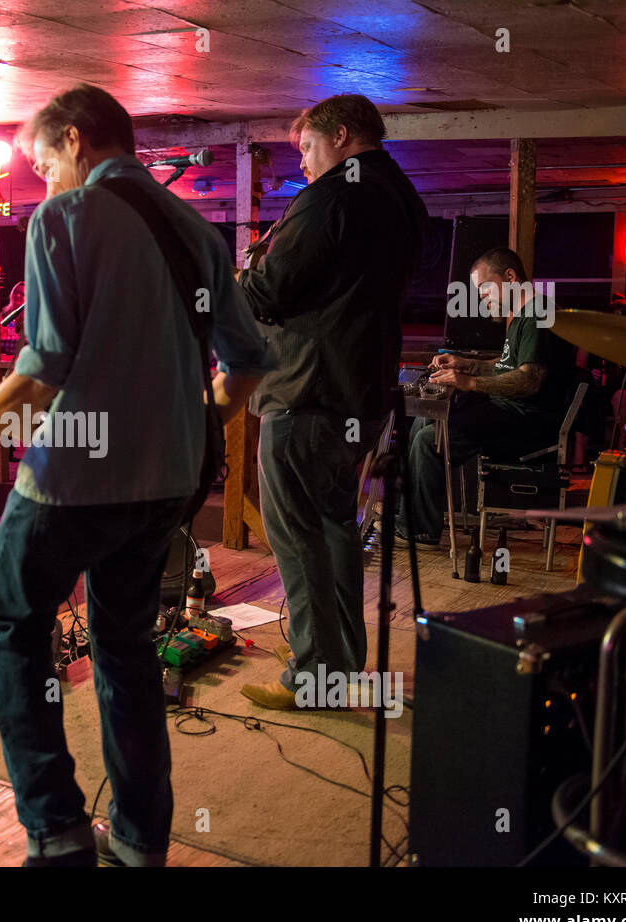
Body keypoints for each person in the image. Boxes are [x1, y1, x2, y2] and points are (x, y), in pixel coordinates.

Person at [0, 84, 272, 867]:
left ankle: (58, 832)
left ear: (76, 141)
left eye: (45, 165)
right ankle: (143, 843)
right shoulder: (196, 232)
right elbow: (249, 361)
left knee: (12, 622)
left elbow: (44, 369)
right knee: (125, 647)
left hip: (77, 478)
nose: (43, 183)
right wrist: (191, 420)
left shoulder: (64, 219)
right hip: (169, 482)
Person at [236, 93, 427, 712]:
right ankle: (340, 667)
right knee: (335, 529)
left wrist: (244, 271)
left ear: (341, 136)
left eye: (308, 149)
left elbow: (268, 291)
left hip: (306, 392)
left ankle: (316, 674)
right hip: (359, 394)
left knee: (297, 537)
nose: (305, 165)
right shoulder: (403, 197)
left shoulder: (333, 195)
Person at [396, 247, 572, 545]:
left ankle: (422, 529)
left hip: (527, 421)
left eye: (485, 289)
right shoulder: (521, 314)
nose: (481, 298)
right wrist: (467, 363)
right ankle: (410, 518)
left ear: (510, 277)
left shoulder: (539, 314)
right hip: (508, 410)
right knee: (424, 421)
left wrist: (468, 382)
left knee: (430, 441)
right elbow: (506, 367)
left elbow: (529, 379)